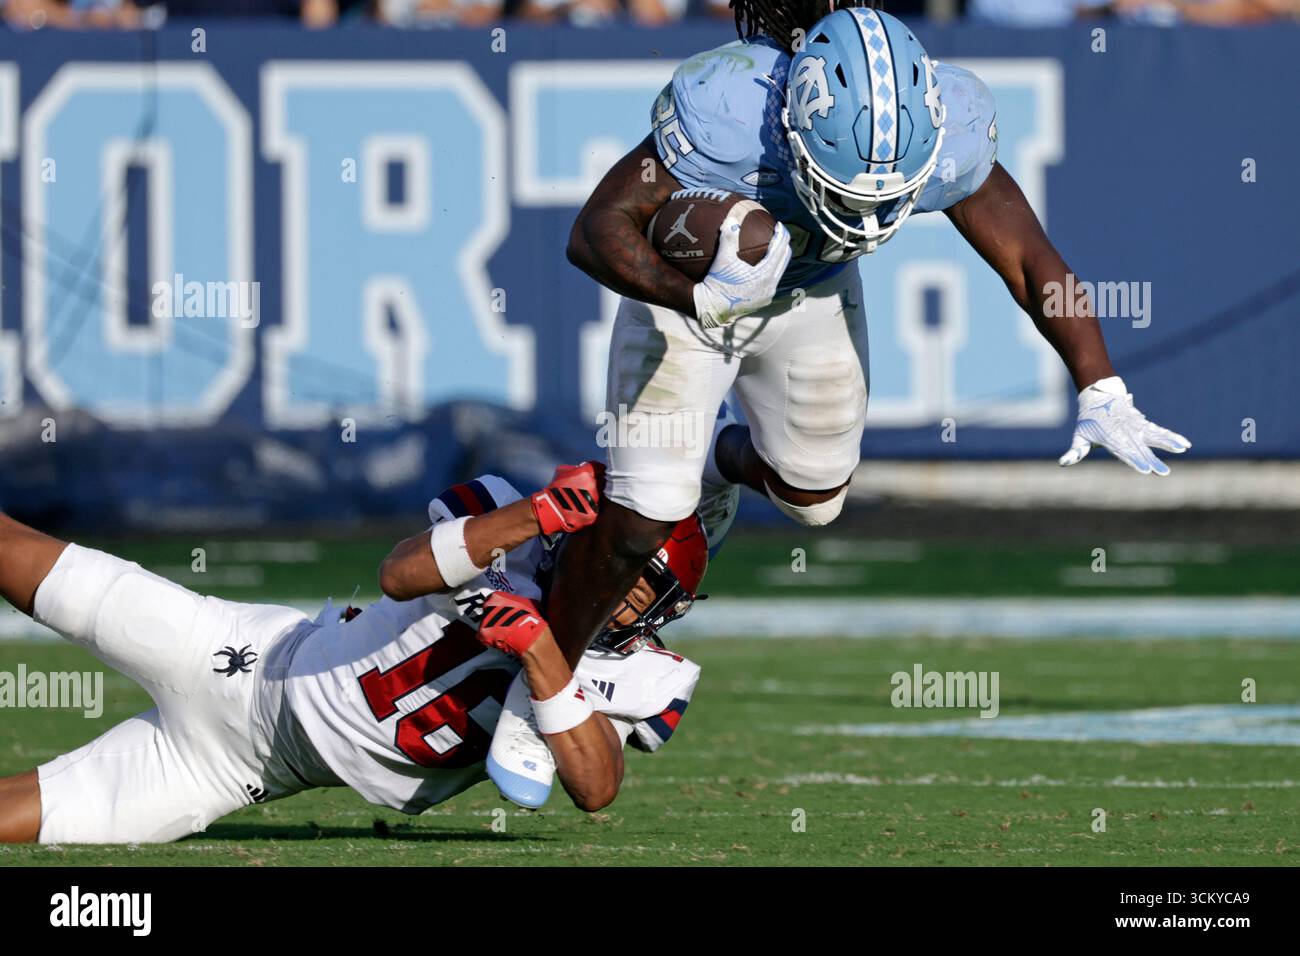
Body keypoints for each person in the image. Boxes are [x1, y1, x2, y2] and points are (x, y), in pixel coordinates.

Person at [546, 3, 1190, 676]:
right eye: (848, 189)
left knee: (814, 499)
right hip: (682, 295)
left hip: (809, 289)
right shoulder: (735, 112)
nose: (871, 214)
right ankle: (549, 681)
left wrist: (1100, 382)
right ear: (795, 129)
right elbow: (595, 228)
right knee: (642, 519)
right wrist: (697, 297)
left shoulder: (944, 131)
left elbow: (1029, 261)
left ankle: (715, 456)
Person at [0, 464, 707, 843]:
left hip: (232, 770)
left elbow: (596, 788)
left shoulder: (646, 676)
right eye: (611, 562)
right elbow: (400, 573)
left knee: (17, 820)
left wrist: (543, 654)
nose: (615, 587)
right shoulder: (510, 526)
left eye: (638, 582)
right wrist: (538, 513)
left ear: (667, 605)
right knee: (21, 557)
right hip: (237, 652)